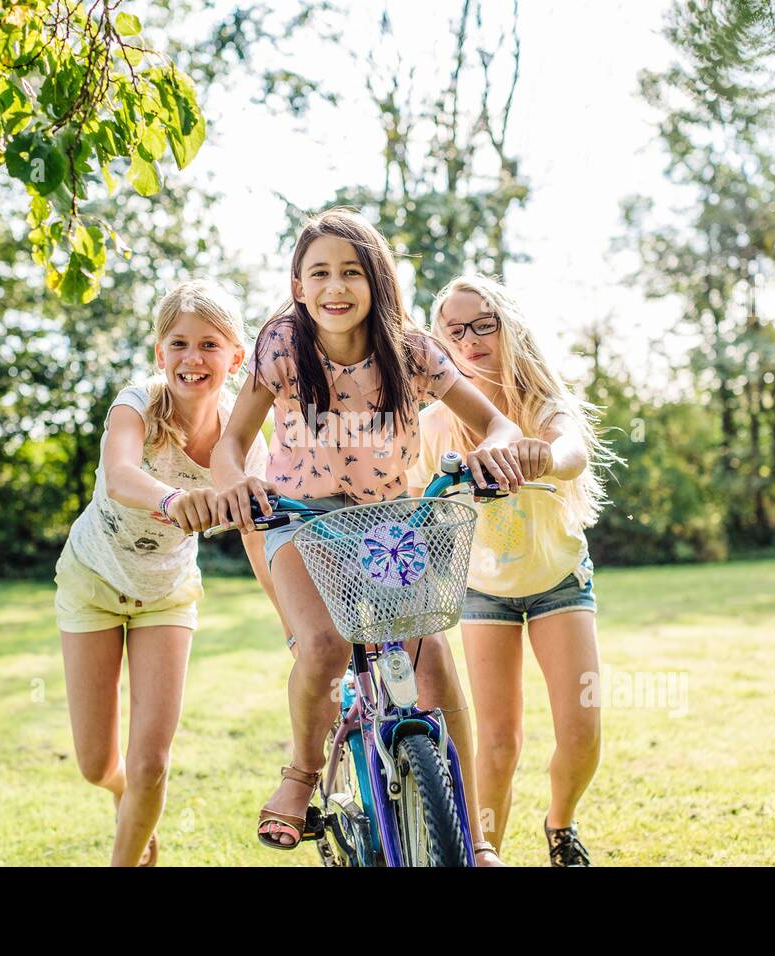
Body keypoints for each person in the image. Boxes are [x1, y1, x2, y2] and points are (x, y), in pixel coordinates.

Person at [211, 208, 541, 865]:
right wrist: (236, 486)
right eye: (320, 274)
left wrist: (498, 452)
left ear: (376, 280)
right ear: (299, 286)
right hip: (299, 519)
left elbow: (496, 424)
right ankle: (302, 772)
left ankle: (472, 841)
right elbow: (232, 445)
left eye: (352, 272)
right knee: (326, 646)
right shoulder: (281, 344)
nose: (336, 287)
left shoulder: (411, 348)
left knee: (438, 674)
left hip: (388, 525)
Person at [54, 279, 272, 866]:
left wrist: (292, 622)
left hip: (167, 597)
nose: (192, 359)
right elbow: (121, 475)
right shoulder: (137, 403)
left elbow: (260, 534)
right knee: (98, 763)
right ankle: (122, 795)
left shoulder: (242, 438)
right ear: (160, 354)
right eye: (178, 344)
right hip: (93, 582)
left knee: (152, 759)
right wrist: (176, 501)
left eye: (209, 345)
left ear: (236, 358)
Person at [408, 274, 617, 866]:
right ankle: (485, 852)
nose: (471, 339)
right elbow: (410, 498)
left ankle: (560, 824)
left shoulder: (540, 405)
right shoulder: (435, 424)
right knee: (497, 742)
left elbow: (572, 453)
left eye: (484, 325)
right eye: (456, 330)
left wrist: (541, 453)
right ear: (440, 342)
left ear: (507, 328)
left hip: (558, 584)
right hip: (483, 592)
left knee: (581, 732)